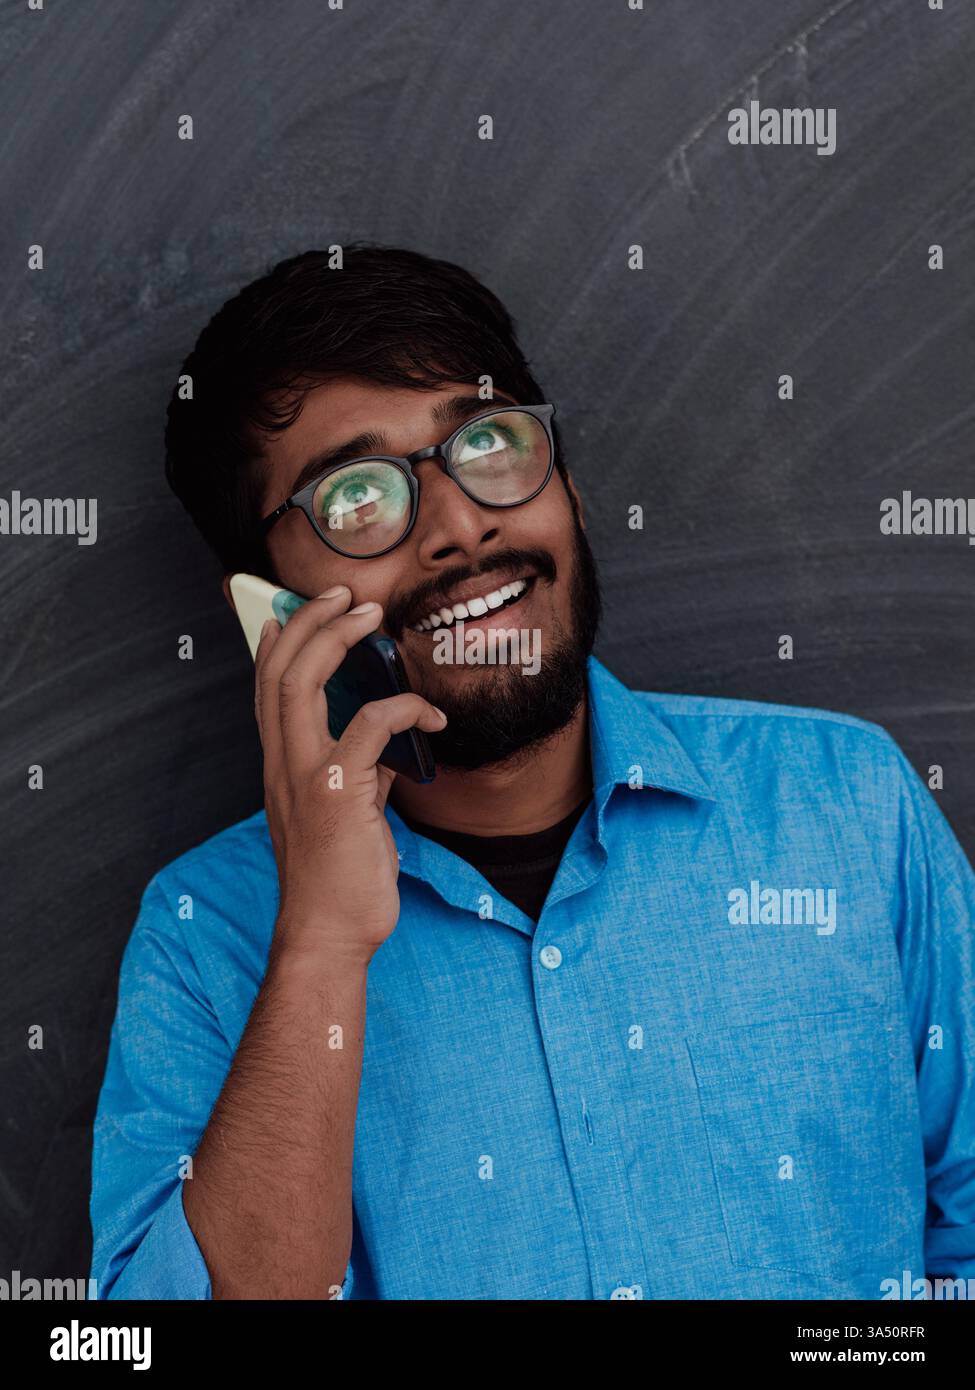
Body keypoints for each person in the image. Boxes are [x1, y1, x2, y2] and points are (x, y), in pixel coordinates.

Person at [89, 243, 975, 1300]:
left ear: (569, 485)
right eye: (360, 498)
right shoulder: (205, 937)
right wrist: (320, 944)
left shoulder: (848, 808)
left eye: (489, 442)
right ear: (267, 604)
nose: (462, 526)